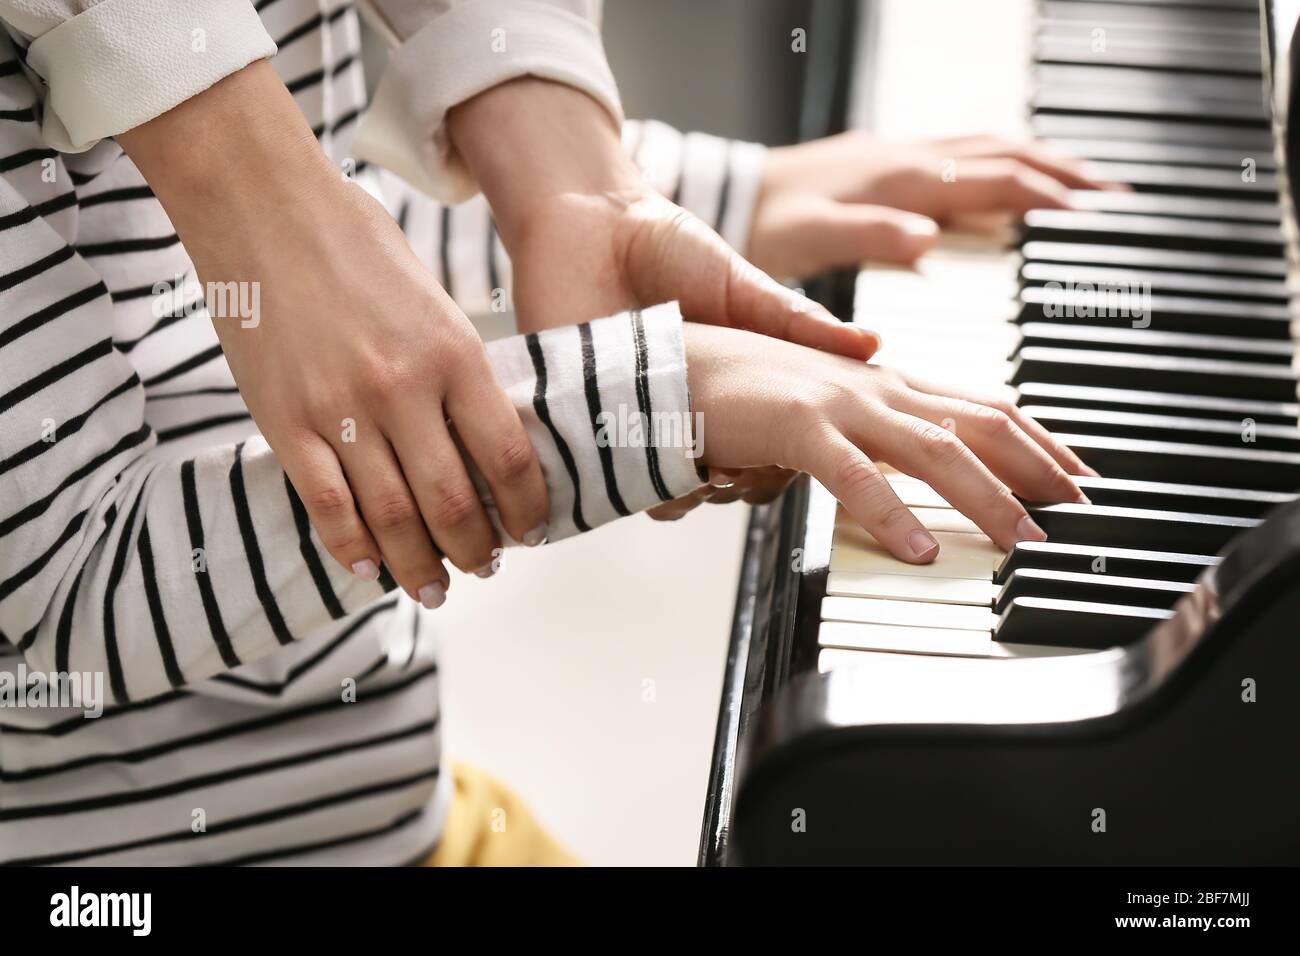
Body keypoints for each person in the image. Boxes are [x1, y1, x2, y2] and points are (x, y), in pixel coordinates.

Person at [0, 0, 1090, 865]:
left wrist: (665, 199)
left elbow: (283, 261)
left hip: (399, 818)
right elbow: (73, 577)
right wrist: (660, 398)